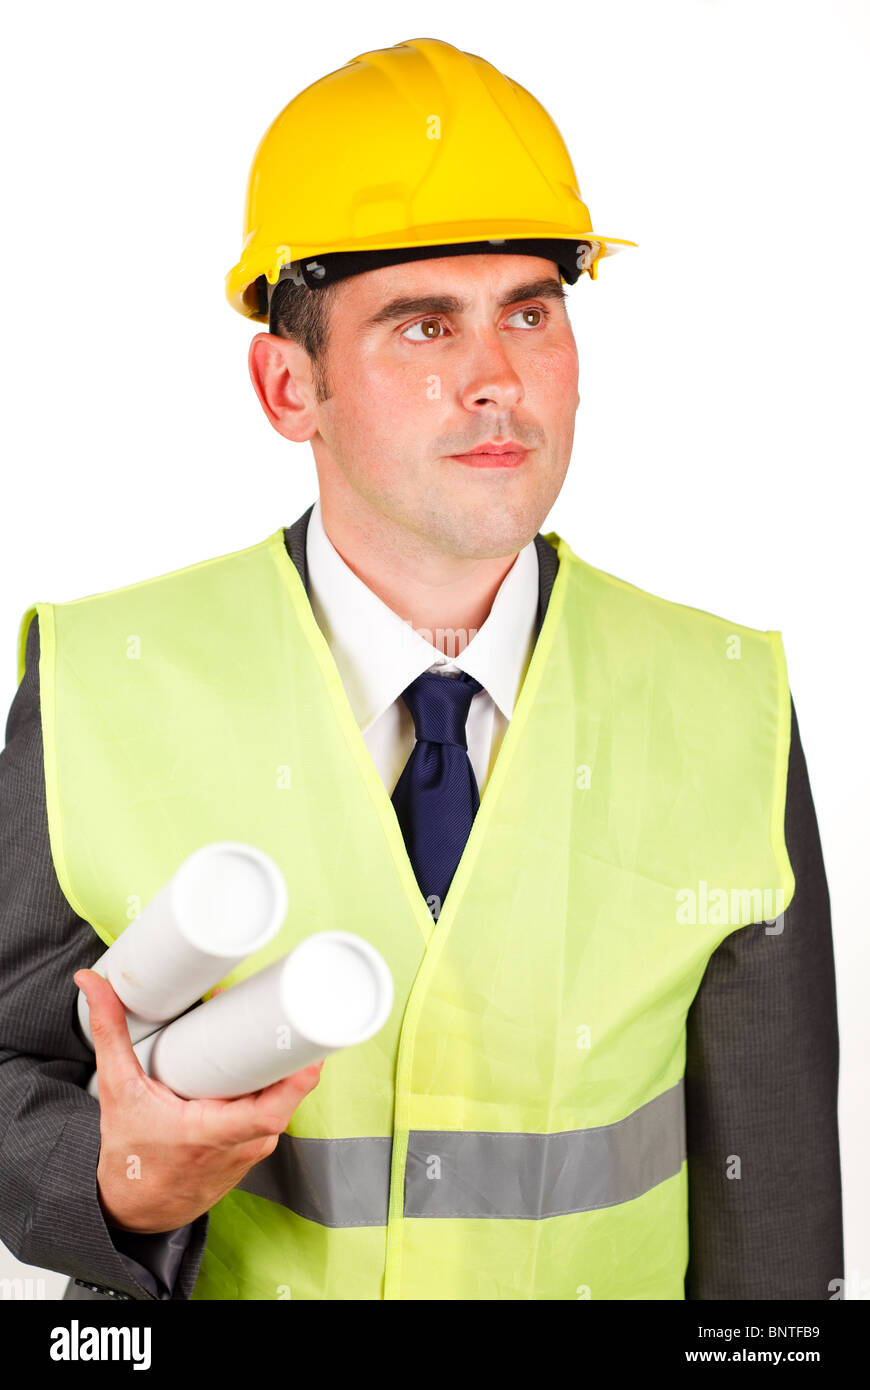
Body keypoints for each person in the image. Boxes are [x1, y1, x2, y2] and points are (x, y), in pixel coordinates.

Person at [0, 36, 842, 1301]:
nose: (497, 378)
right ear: (291, 386)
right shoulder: (103, 682)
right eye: (424, 323)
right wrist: (117, 1180)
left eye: (531, 311)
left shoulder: (719, 694)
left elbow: (769, 1203)